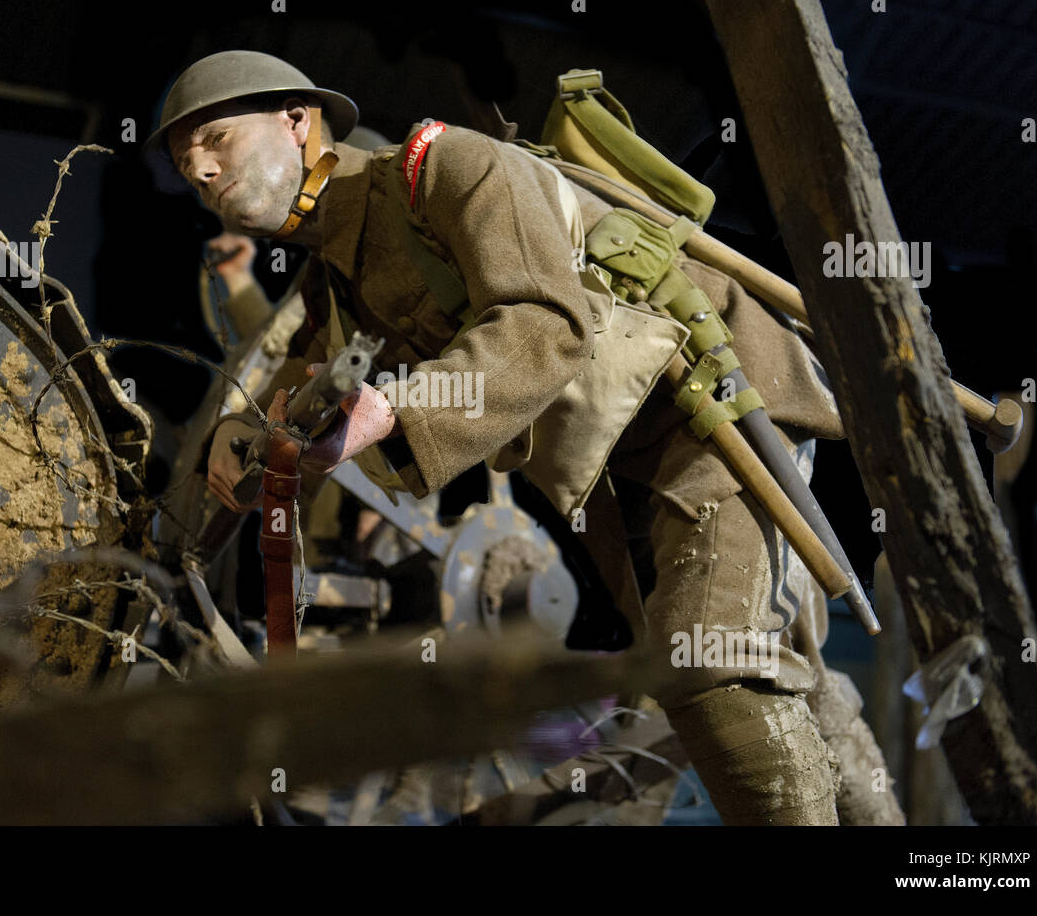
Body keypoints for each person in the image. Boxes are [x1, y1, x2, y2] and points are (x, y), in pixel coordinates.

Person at [146, 50, 903, 825]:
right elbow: (302, 389)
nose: (200, 171)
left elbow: (545, 322)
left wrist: (400, 408)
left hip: (707, 409)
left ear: (296, 119)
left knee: (714, 665)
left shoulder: (441, 168)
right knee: (722, 680)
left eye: (217, 139)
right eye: (183, 160)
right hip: (614, 473)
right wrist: (245, 432)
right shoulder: (338, 282)